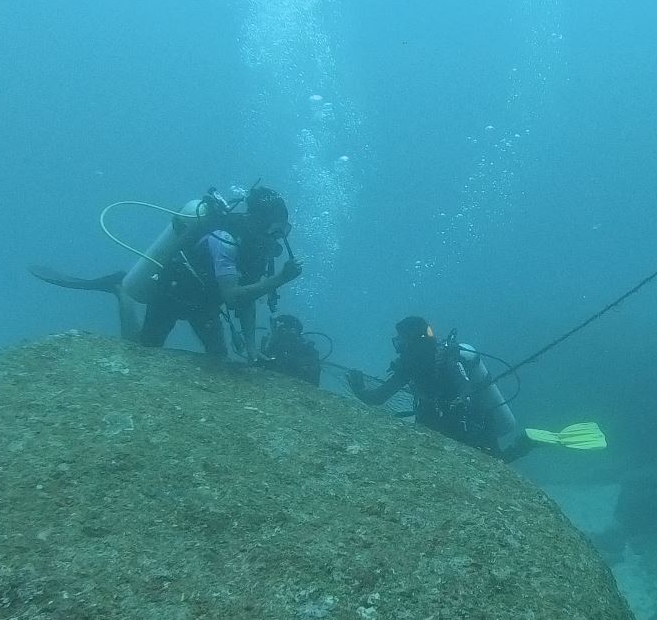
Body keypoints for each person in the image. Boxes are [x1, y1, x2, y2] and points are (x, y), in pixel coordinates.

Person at [30, 186, 301, 360]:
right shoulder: (223, 239)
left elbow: (247, 302)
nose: (279, 237)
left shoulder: (256, 248)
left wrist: (252, 348)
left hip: (205, 306)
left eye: (283, 230)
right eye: (276, 228)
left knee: (219, 358)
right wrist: (278, 280)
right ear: (257, 221)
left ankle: (121, 289)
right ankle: (121, 290)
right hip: (172, 295)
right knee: (139, 353)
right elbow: (232, 297)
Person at [345, 316, 532, 460]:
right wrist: (359, 389)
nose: (399, 346)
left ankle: (526, 443)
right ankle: (524, 445)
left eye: (402, 341)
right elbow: (378, 397)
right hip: (442, 420)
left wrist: (461, 400)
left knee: (494, 460)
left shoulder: (444, 358)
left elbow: (463, 383)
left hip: (468, 421)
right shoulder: (411, 365)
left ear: (414, 340)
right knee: (492, 459)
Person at [259, 313, 323, 386]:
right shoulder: (272, 346)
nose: (287, 335)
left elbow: (313, 375)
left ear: (298, 333)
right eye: (283, 331)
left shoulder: (307, 349)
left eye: (291, 331)